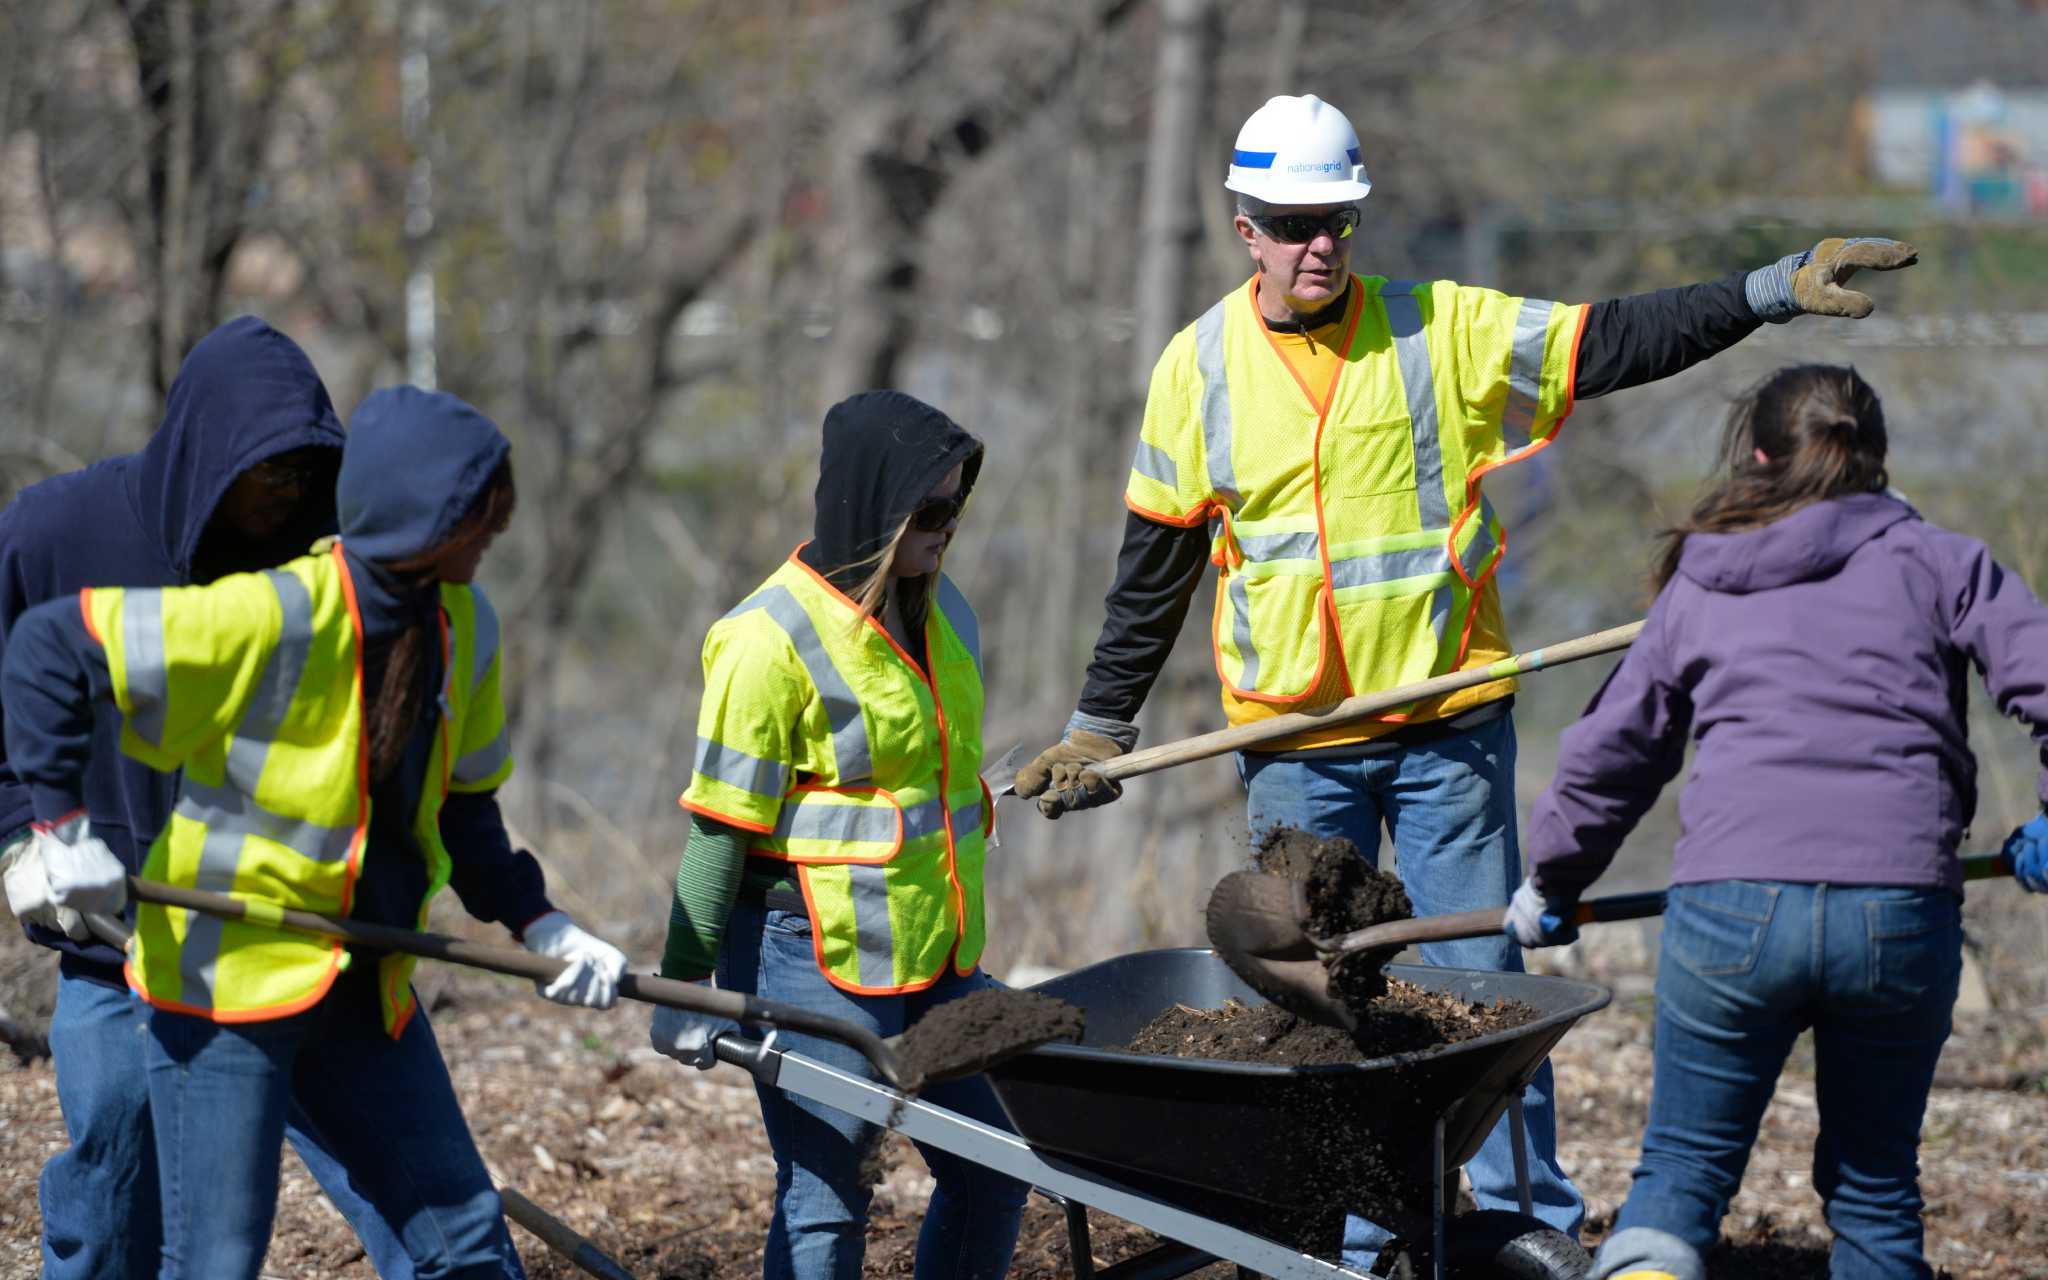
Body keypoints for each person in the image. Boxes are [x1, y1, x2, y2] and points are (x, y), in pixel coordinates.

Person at [1011, 92, 1917, 1265]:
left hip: (1447, 726)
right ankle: (1337, 1234)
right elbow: (1155, 563)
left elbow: (1611, 341)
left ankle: (1514, 1229)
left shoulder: (1440, 327)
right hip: (1293, 744)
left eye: (1335, 218)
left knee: (1482, 994)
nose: (1317, 243)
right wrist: (1096, 725)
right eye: (1291, 222)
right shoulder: (1195, 370)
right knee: (1312, 996)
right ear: (1245, 226)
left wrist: (1765, 288)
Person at [1, 384, 629, 1280]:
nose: (495, 532)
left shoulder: (466, 630)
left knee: (467, 1252)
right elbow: (46, 650)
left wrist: (543, 923)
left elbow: (464, 810)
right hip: (227, 990)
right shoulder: (271, 615)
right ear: (423, 515)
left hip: (364, 987)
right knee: (215, 1262)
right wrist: (54, 831)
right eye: (479, 514)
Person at [1505, 364, 2048, 1280]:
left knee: (1679, 1178)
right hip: (1899, 910)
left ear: (1757, 457)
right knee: (1877, 1193)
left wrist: (1552, 883)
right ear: (1874, 456)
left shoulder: (1705, 580)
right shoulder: (1941, 561)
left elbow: (1614, 753)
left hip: (1732, 911)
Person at [0, 316, 419, 1279]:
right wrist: (25, 839)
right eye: (266, 473)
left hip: (296, 944)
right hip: (119, 954)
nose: (285, 497)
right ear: (202, 451)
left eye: (303, 475)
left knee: (428, 1214)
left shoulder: (321, 568)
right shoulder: (53, 533)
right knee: (110, 1221)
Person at [647, 390, 1029, 1280]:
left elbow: (931, 782)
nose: (947, 529)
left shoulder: (945, 612)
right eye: (929, 511)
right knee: (828, 1200)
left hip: (935, 949)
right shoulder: (763, 642)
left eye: (957, 506)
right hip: (808, 954)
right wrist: (680, 990)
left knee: (996, 1166)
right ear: (873, 511)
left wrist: (1024, 777)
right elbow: (717, 836)